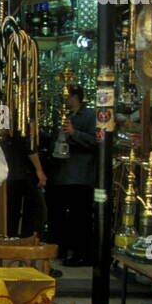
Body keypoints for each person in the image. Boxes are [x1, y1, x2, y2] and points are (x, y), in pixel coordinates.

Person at [48, 85, 97, 266]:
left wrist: (74, 134)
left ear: (76, 97)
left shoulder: (90, 116)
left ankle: (82, 254)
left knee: (80, 217)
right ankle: (61, 248)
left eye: (67, 97)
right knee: (59, 215)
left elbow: (97, 141)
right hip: (61, 173)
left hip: (81, 175)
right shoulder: (63, 115)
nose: (65, 101)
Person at [2, 129, 47, 239]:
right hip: (24, 171)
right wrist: (39, 169)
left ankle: (12, 235)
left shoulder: (5, 122)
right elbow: (29, 147)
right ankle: (27, 237)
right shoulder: (24, 120)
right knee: (33, 208)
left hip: (8, 169)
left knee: (12, 208)